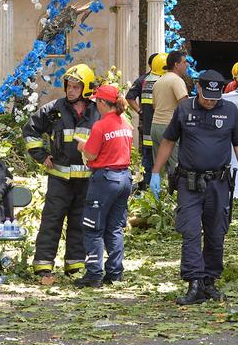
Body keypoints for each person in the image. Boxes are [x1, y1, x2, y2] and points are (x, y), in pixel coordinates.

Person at [149, 70, 238, 305]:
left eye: (215, 97)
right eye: (207, 96)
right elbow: (168, 141)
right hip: (189, 182)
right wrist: (156, 171)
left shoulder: (229, 111)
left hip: (218, 182)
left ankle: (209, 281)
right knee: (190, 232)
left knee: (217, 233)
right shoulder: (185, 109)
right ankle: (194, 282)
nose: (210, 101)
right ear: (197, 87)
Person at [22, 64, 100, 284]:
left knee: (79, 223)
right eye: (69, 86)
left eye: (76, 87)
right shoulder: (53, 109)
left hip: (86, 180)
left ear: (86, 89)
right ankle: (43, 266)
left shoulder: (96, 112)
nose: (71, 90)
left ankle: (75, 265)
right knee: (51, 221)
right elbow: (30, 130)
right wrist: (41, 155)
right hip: (60, 178)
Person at [74, 85, 134, 288]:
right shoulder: (125, 123)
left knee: (92, 227)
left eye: (96, 102)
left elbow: (90, 155)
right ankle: (115, 273)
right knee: (115, 227)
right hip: (125, 178)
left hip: (105, 180)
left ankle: (93, 274)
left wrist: (83, 145)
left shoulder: (101, 125)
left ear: (102, 102)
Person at [150, 51, 189, 178]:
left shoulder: (159, 81)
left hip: (155, 126)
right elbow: (185, 105)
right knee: (176, 167)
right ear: (177, 65)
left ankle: (157, 196)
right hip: (170, 127)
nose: (186, 65)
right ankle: (175, 196)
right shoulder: (177, 80)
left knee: (159, 167)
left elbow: (154, 106)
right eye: (184, 62)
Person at [125, 53, 161, 185]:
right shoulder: (144, 80)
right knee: (150, 156)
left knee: (148, 156)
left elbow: (129, 98)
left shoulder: (143, 80)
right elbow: (129, 97)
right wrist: (140, 111)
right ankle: (149, 184)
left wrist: (141, 112)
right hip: (153, 125)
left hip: (148, 125)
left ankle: (147, 185)